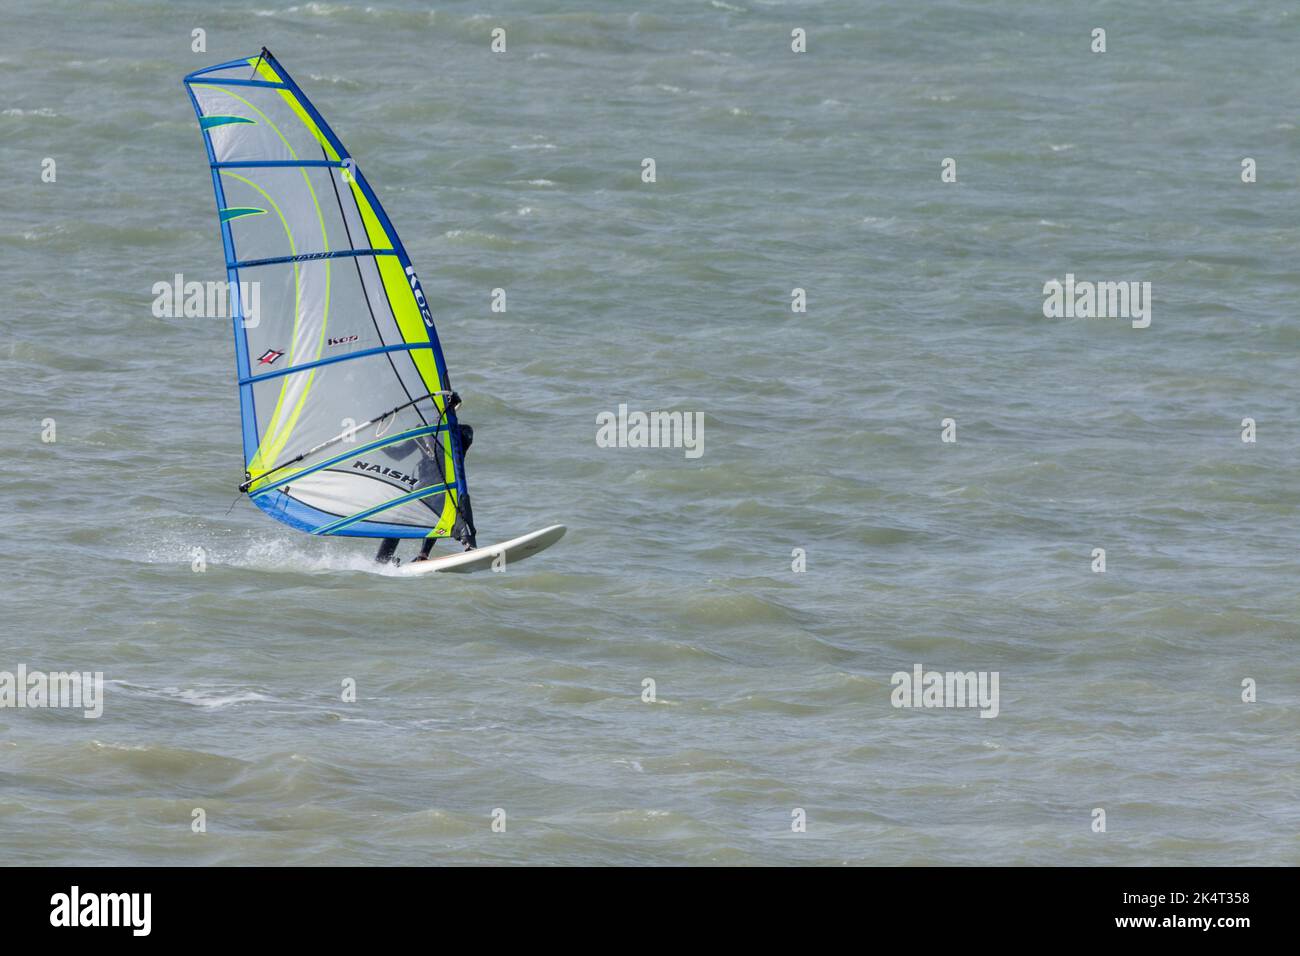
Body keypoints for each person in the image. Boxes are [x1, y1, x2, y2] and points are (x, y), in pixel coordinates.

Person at [375, 395, 476, 564]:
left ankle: (425, 554)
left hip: (446, 488)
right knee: (399, 522)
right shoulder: (422, 432)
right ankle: (382, 559)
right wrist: (380, 443)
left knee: (439, 516)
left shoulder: (464, 432)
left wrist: (445, 416)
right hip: (424, 486)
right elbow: (399, 455)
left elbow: (456, 440)